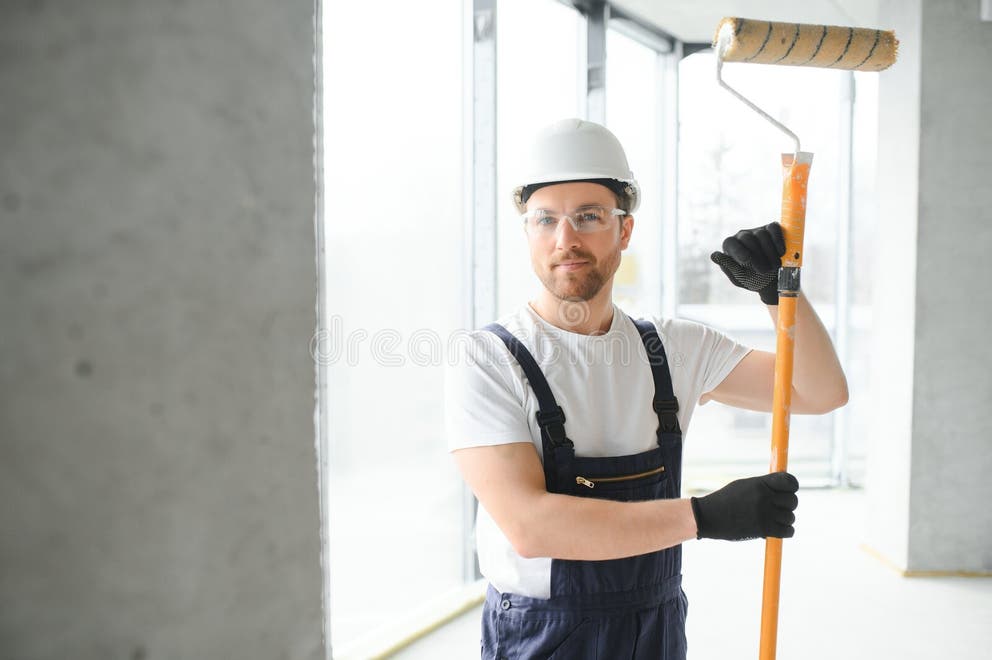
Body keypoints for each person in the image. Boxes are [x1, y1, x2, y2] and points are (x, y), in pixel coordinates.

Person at [445, 118, 848, 660]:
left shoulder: (673, 349)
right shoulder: (487, 358)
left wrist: (780, 293)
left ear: (624, 230)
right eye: (545, 220)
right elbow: (530, 525)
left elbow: (819, 392)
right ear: (528, 232)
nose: (566, 239)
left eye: (589, 216)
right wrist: (704, 516)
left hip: (654, 626)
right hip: (543, 638)